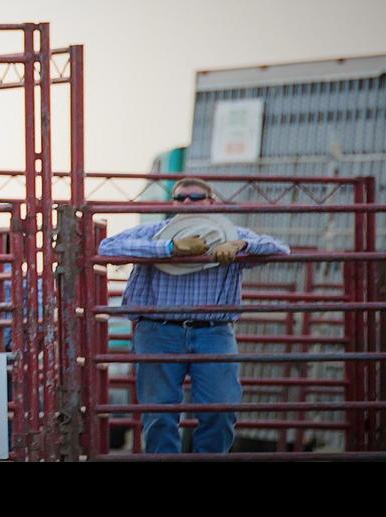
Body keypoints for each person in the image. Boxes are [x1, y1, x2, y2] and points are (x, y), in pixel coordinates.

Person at [96, 178, 289, 454]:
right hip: (159, 330)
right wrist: (168, 248)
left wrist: (241, 245)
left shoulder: (231, 234)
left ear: (211, 202)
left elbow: (279, 248)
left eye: (195, 197)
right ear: (173, 203)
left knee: (221, 410)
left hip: (212, 330)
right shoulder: (156, 232)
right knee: (159, 414)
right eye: (180, 198)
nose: (187, 202)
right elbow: (107, 247)